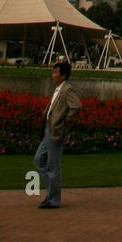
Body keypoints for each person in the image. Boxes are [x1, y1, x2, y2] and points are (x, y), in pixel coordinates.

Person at [35, 60, 81, 210]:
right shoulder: (57, 89)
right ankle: (52, 193)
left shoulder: (66, 89)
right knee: (39, 160)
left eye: (56, 72)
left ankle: (53, 199)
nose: (53, 75)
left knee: (52, 165)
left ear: (63, 75)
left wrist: (65, 124)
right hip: (49, 130)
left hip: (56, 132)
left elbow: (76, 106)